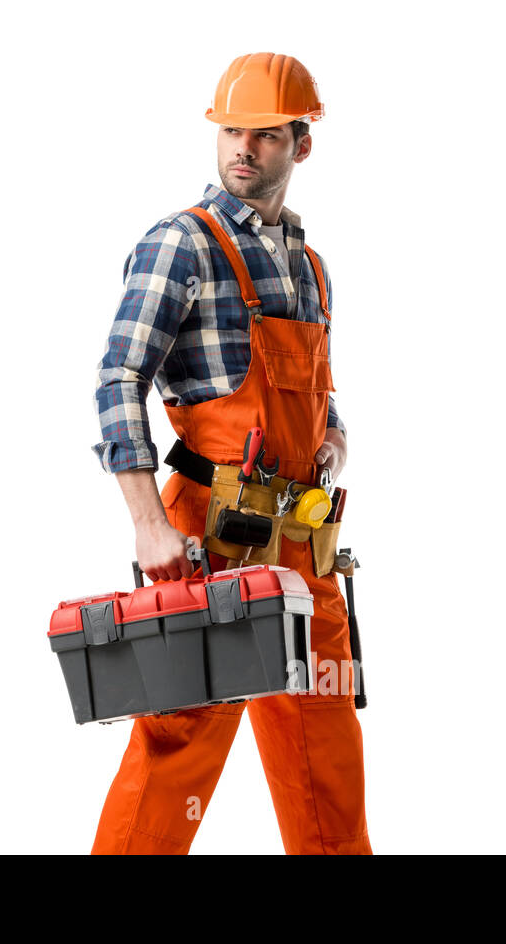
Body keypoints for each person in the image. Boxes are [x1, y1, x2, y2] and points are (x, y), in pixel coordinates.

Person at [89, 52, 371, 855]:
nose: (243, 147)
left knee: (327, 751)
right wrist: (148, 523)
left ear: (300, 145)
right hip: (210, 537)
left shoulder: (309, 265)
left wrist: (334, 441)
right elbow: (118, 377)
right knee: (177, 743)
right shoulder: (182, 244)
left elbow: (320, 390)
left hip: (304, 548)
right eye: (232, 131)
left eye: (265, 134)